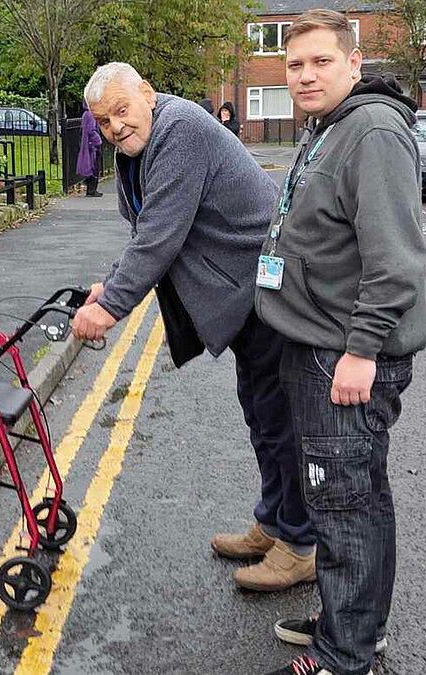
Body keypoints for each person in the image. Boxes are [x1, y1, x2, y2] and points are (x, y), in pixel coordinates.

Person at [72, 62, 317, 592]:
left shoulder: (179, 131)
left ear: (148, 93)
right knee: (260, 415)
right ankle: (274, 524)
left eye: (122, 110)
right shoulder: (132, 154)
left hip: (267, 291)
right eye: (104, 121)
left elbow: (161, 235)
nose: (115, 127)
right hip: (243, 297)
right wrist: (108, 283)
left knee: (277, 419)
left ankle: (299, 545)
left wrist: (109, 308)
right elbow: (145, 231)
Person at [253, 9, 426, 675]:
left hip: (343, 354)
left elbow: (395, 262)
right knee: (354, 494)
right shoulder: (331, 125)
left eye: (321, 61)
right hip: (319, 342)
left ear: (353, 64)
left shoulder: (374, 131)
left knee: (341, 500)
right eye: (295, 64)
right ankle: (354, 623)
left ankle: (344, 656)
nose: (305, 75)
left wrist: (360, 351)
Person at [76, 102, 104, 197]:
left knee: (91, 165)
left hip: (88, 144)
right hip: (92, 145)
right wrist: (98, 141)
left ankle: (90, 189)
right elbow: (91, 130)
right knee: (94, 166)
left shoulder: (86, 114)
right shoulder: (90, 115)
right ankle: (92, 190)